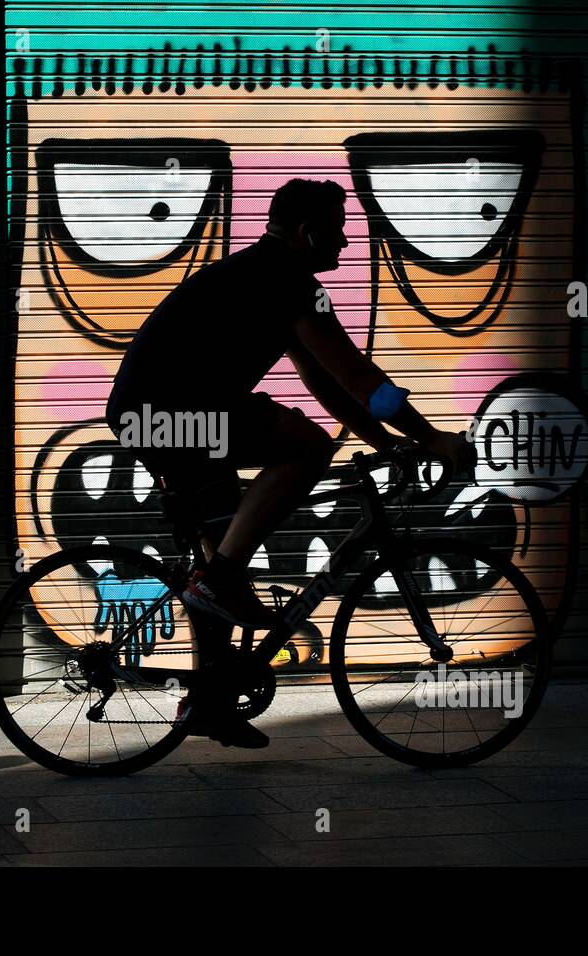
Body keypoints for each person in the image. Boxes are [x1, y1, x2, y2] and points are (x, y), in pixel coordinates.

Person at [105, 178, 474, 748]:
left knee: (219, 542)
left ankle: (208, 701)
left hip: (157, 415)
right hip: (170, 415)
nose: (348, 242)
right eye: (340, 229)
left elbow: (330, 387)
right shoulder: (288, 284)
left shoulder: (267, 277)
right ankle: (219, 578)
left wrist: (387, 444)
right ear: (307, 234)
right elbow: (362, 379)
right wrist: (431, 438)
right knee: (304, 447)